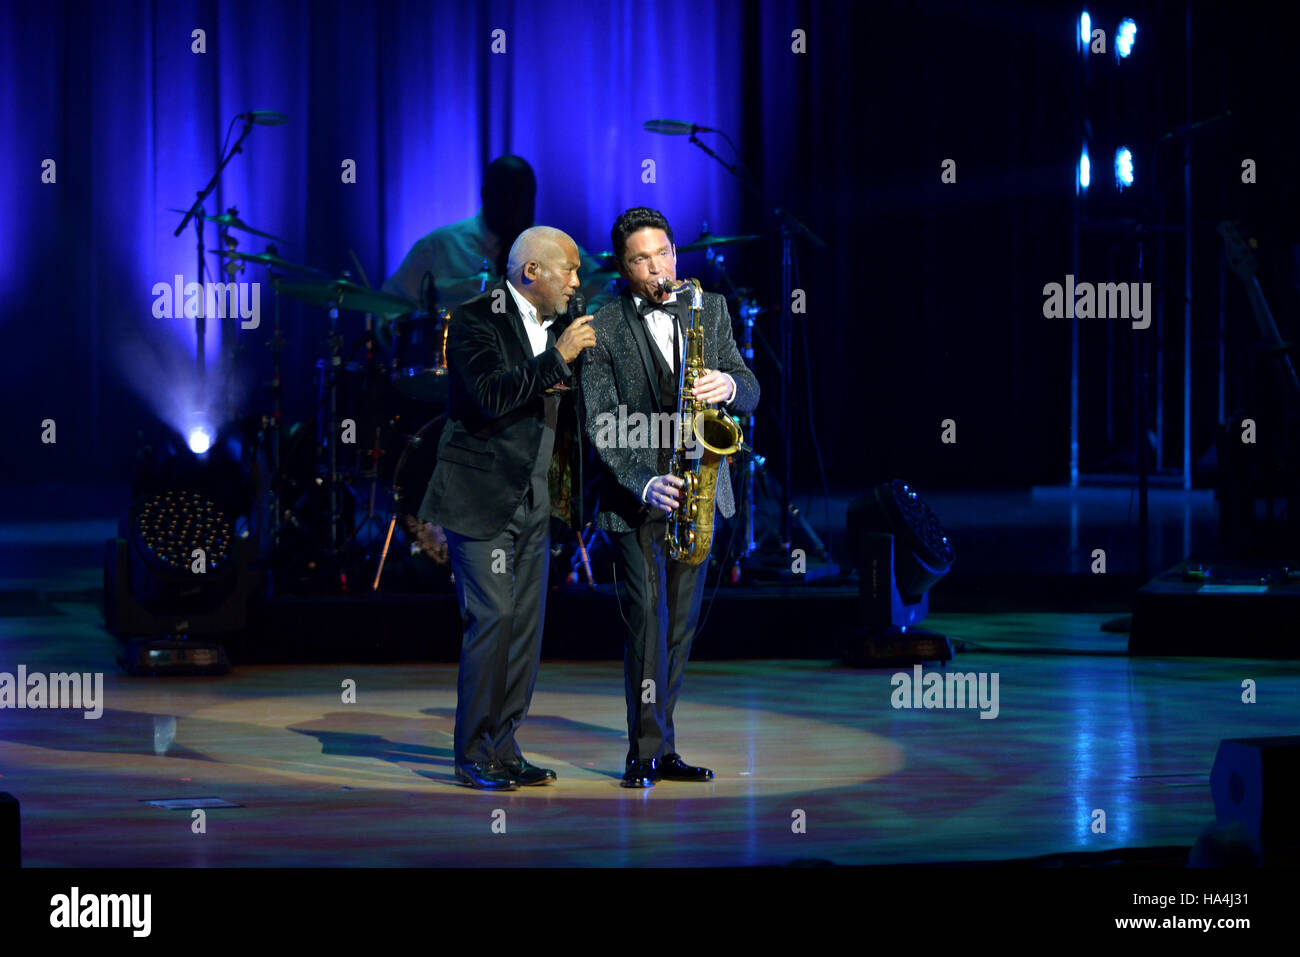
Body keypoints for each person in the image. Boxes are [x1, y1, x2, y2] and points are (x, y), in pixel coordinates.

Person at [580, 206, 759, 788]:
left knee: (679, 629)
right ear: (623, 267)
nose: (656, 269)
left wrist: (728, 384)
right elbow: (600, 422)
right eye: (640, 259)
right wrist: (644, 481)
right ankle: (641, 752)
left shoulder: (711, 310)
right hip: (637, 500)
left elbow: (750, 388)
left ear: (675, 254)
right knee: (646, 625)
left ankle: (664, 747)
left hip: (698, 489)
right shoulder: (602, 325)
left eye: (662, 254)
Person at [417, 225, 595, 790]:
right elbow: (491, 395)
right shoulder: (475, 318)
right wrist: (559, 357)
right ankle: (472, 753)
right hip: (479, 495)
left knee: (525, 626)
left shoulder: (564, 323)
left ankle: (505, 745)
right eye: (567, 268)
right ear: (531, 273)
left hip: (536, 493)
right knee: (491, 618)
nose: (576, 278)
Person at [383, 155, 611, 310]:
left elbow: (604, 287)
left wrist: (577, 322)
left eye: (523, 198)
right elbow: (390, 305)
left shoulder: (554, 246)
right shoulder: (438, 247)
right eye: (506, 197)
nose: (514, 207)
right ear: (485, 195)